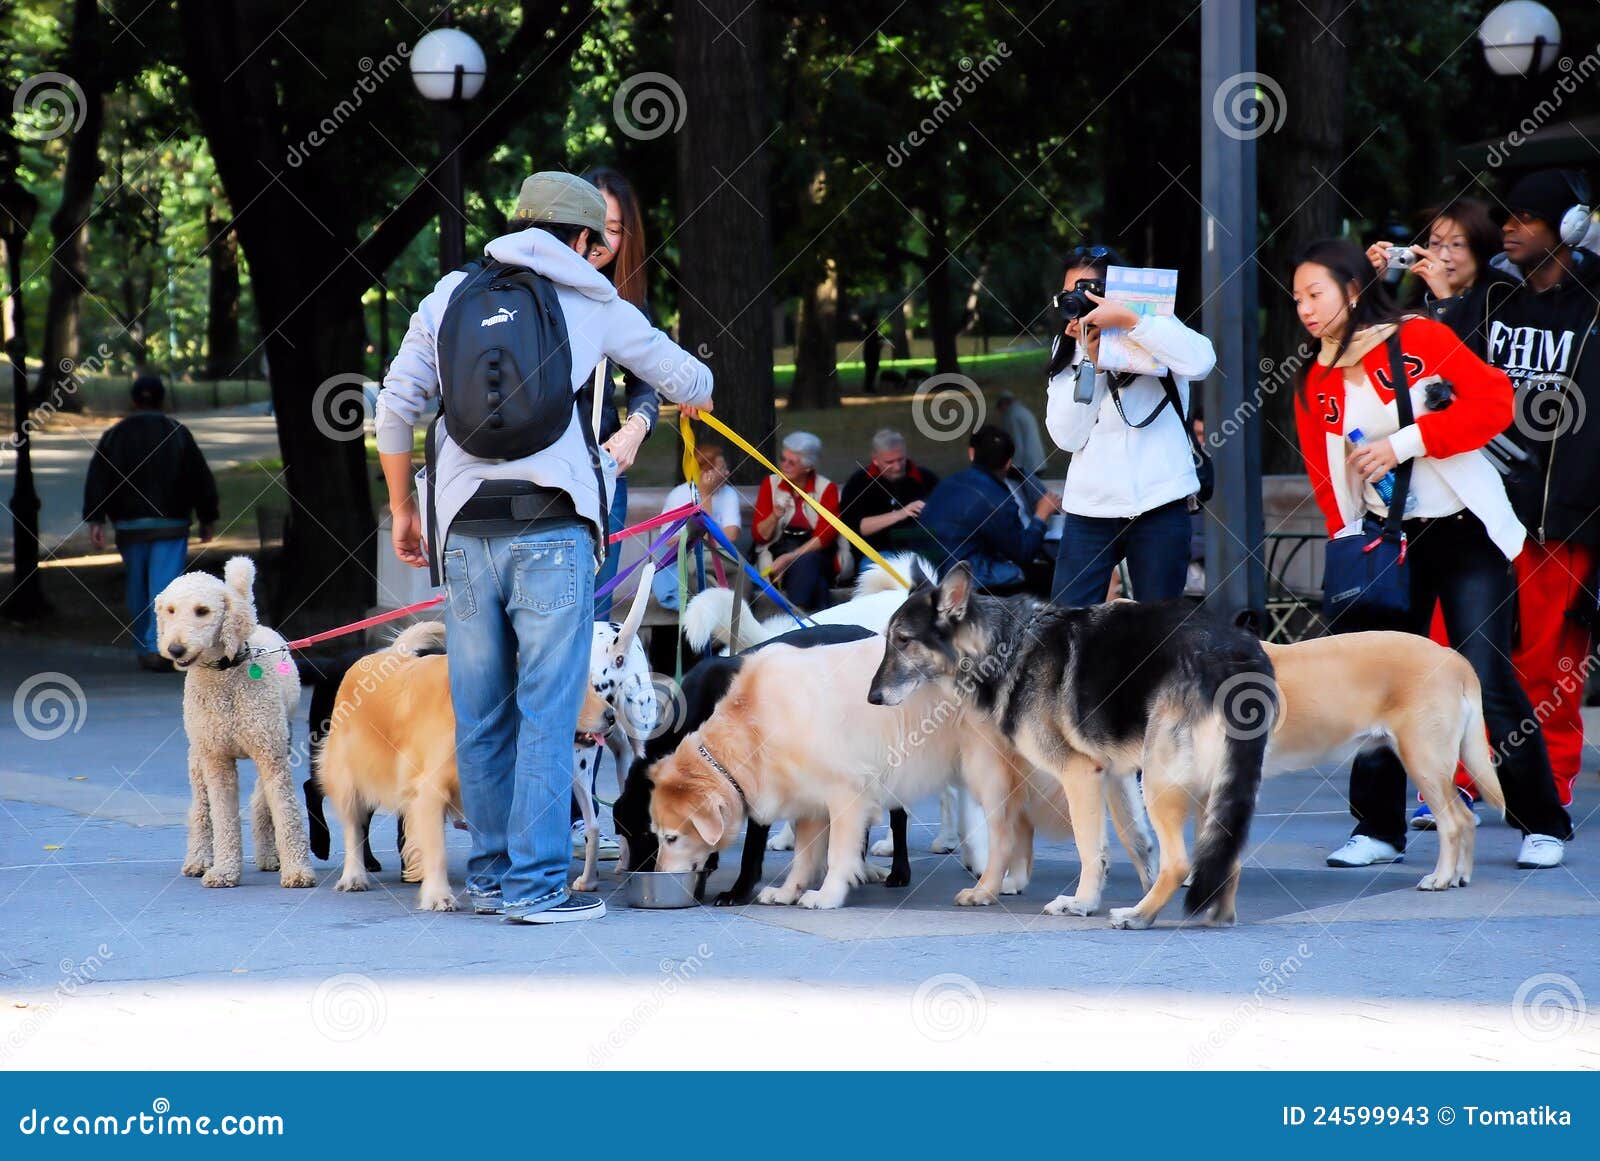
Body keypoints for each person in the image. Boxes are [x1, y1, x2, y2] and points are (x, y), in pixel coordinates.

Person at [376, 171, 712, 923]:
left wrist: (403, 506)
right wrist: (698, 389)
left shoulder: (451, 295)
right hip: (552, 531)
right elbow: (687, 377)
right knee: (548, 709)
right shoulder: (594, 300)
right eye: (598, 240)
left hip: (462, 529)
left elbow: (394, 404)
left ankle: (492, 875)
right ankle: (536, 887)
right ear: (586, 240)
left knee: (482, 709)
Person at [1290, 237, 1571, 870]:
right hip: (1385, 542)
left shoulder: (1417, 339)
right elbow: (1321, 470)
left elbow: (1495, 402)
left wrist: (1405, 442)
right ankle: (1378, 829)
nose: (1305, 309)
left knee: (1486, 672)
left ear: (1353, 290)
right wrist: (1345, 537)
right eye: (1298, 298)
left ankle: (1540, 821)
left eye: (1316, 293)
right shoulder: (1315, 380)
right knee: (1377, 680)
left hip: (1463, 527)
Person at [1043, 244, 1216, 606]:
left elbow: (1202, 362)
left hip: (1159, 501)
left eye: (1088, 290)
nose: (1079, 301)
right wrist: (1090, 363)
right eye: (1069, 294)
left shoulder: (1155, 326)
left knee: (1157, 633)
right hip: (1090, 507)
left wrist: (1131, 323)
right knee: (1065, 626)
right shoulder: (1067, 347)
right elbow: (1067, 436)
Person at [82, 375, 217, 672]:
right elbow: (199, 478)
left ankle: (145, 645)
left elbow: (99, 477)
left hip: (130, 525)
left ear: (133, 401)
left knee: (137, 586)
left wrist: (96, 518)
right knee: (166, 587)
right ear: (162, 399)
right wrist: (207, 517)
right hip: (171, 521)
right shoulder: (177, 432)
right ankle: (162, 646)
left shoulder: (115, 435)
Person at [580, 167, 660, 618]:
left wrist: (636, 425)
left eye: (612, 230)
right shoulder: (531, 287)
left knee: (595, 613)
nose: (598, 242)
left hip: (603, 473)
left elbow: (648, 378)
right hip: (537, 476)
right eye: (590, 224)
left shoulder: (624, 297)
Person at [921, 424, 1061, 594]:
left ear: (971, 453)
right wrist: (1041, 515)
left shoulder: (948, 483)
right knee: (1051, 576)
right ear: (1009, 463)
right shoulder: (998, 500)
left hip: (928, 569)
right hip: (964, 580)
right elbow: (1023, 553)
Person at [1366, 197, 1506, 357]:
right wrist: (1368, 282)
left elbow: (1467, 362)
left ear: (1480, 248)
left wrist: (1445, 302)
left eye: (1457, 245)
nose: (1443, 256)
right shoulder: (1422, 291)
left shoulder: (1500, 295)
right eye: (1436, 243)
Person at [751, 431, 843, 611]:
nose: (783, 465)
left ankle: (797, 614)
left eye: (791, 462)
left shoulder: (826, 489)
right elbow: (759, 536)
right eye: (782, 459)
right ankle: (812, 620)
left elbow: (825, 536)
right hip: (777, 553)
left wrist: (790, 559)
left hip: (817, 555)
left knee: (807, 562)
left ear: (809, 467)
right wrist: (775, 516)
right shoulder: (770, 484)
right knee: (818, 583)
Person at [652, 441, 742, 611]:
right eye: (721, 468)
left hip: (718, 558)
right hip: (683, 558)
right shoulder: (679, 494)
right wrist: (705, 496)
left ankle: (733, 615)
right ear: (706, 472)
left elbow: (730, 536)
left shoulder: (729, 494)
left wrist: (706, 497)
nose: (727, 472)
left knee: (739, 575)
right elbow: (670, 541)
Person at [838, 429, 938, 557]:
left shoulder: (926, 478)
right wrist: (900, 514)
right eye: (889, 462)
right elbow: (854, 528)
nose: (897, 467)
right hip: (877, 554)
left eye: (901, 459)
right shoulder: (858, 483)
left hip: (922, 551)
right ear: (875, 460)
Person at [995, 391, 1046, 478]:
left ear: (1004, 404)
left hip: (1027, 465)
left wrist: (1013, 466)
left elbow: (1015, 442)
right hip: (1036, 462)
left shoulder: (1011, 415)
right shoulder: (1021, 411)